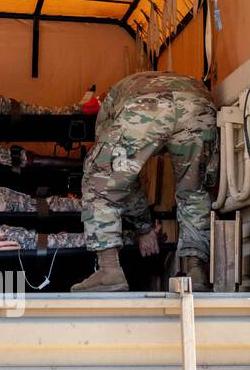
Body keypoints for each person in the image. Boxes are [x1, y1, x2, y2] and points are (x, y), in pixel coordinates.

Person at [72, 71, 219, 293]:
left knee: (100, 181)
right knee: (194, 191)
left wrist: (144, 227)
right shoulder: (143, 82)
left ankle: (109, 270)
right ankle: (195, 271)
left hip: (147, 106)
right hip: (199, 104)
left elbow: (119, 181)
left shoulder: (113, 100)